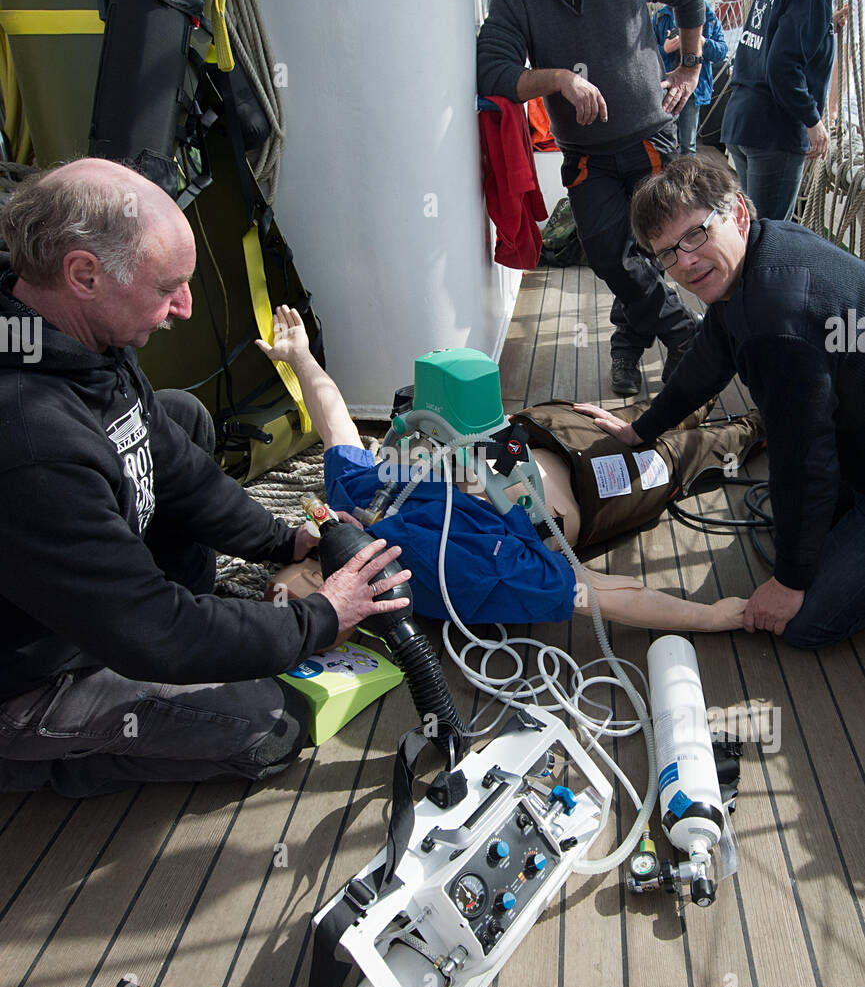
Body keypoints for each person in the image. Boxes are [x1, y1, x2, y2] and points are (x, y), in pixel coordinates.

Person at [0, 159, 411, 797]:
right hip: (31, 674)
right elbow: (151, 629)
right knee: (269, 725)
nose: (185, 308)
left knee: (179, 416)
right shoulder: (30, 440)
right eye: (167, 287)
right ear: (83, 274)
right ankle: (35, 758)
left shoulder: (70, 335)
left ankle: (180, 621)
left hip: (85, 598)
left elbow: (177, 465)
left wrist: (285, 542)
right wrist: (321, 619)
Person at [258, 306, 764, 636]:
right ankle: (764, 421)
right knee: (704, 449)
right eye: (324, 584)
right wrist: (711, 617)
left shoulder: (353, 501)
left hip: (540, 428)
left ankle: (714, 375)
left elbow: (336, 428)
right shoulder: (447, 574)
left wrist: (300, 356)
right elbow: (599, 594)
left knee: (671, 407)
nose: (327, 558)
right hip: (602, 485)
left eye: (309, 561)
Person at [575, 155, 865, 648]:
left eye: (694, 235)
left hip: (838, 444)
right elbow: (707, 362)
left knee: (804, 622)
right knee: (797, 525)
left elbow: (803, 463)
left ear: (737, 214)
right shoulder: (760, 252)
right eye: (666, 254)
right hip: (851, 429)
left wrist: (790, 584)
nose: (684, 262)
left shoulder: (776, 321)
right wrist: (641, 431)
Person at [476, 0, 706, 399]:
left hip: (650, 137)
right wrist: (557, 79)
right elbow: (494, 71)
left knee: (665, 249)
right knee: (609, 253)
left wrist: (691, 64)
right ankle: (687, 337)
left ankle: (627, 347)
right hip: (585, 155)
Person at [721, 0, 857, 221]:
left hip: (743, 122)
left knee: (753, 231)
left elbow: (764, 41)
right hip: (774, 132)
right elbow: (782, 67)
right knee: (769, 239)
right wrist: (814, 122)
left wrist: (825, 25)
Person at [653, 0, 727, 156]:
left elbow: (721, 52)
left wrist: (700, 42)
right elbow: (646, 54)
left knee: (689, 144)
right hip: (665, 89)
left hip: (692, 91)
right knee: (664, 143)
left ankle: (686, 178)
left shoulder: (710, 17)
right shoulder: (659, 17)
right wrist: (665, 49)